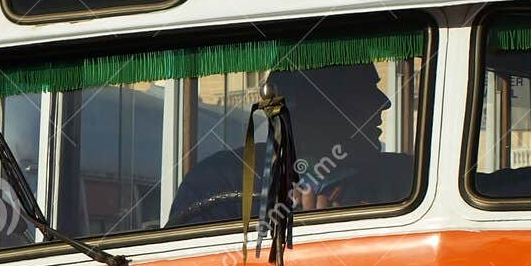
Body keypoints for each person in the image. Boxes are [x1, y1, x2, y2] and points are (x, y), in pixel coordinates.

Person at [167, 64, 406, 226]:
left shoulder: (405, 180)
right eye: (363, 90)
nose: (383, 103)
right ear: (311, 106)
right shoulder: (220, 180)